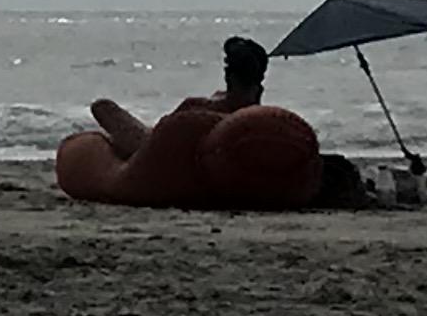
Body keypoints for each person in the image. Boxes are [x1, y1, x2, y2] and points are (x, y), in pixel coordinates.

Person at [56, 36, 324, 210]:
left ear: (229, 76)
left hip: (167, 158)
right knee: (111, 128)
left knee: (103, 111)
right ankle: (118, 145)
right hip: (179, 154)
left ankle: (115, 146)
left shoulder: (197, 118)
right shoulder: (263, 124)